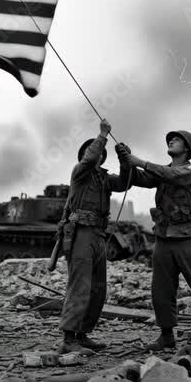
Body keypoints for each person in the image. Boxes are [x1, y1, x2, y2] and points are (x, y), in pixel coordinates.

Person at [116, 130, 191, 353]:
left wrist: (139, 161)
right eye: (170, 138)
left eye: (177, 139)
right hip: (164, 237)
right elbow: (137, 178)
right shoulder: (164, 170)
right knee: (160, 290)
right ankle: (166, 336)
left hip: (188, 237)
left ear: (187, 148)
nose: (171, 140)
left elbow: (170, 175)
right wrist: (126, 161)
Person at [57, 119, 132, 354]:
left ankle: (83, 334)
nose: (98, 155)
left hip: (99, 234)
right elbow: (89, 159)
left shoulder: (103, 179)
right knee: (80, 285)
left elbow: (124, 182)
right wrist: (102, 136)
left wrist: (124, 159)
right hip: (81, 234)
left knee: (98, 288)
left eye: (100, 152)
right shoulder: (80, 172)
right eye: (94, 150)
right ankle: (68, 339)